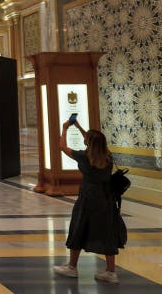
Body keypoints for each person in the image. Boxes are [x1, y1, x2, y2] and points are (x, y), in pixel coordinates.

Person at [53, 120, 125, 284]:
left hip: (88, 198)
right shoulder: (107, 157)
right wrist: (78, 126)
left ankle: (72, 267)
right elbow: (92, 139)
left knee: (79, 228)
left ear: (89, 144)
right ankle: (111, 271)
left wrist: (64, 128)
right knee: (107, 232)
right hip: (105, 199)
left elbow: (63, 146)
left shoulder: (85, 157)